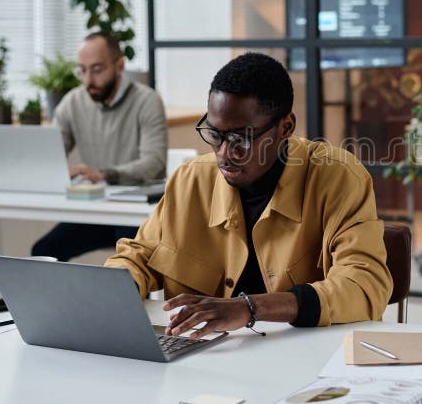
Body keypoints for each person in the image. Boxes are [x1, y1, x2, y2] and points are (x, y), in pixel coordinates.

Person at [105, 53, 392, 334]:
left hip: (307, 360)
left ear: (286, 127)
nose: (224, 154)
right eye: (215, 135)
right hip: (206, 361)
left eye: (240, 139)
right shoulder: (190, 180)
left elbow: (364, 283)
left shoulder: (337, 177)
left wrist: (250, 307)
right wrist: (110, 288)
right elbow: (139, 256)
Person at [31, 32, 167, 261]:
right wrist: (51, 169)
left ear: (120, 65)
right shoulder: (74, 102)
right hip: (96, 210)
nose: (88, 80)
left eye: (97, 69)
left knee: (128, 265)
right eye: (82, 70)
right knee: (44, 252)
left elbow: (154, 164)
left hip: (137, 214)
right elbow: (49, 153)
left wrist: (104, 174)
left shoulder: (147, 101)